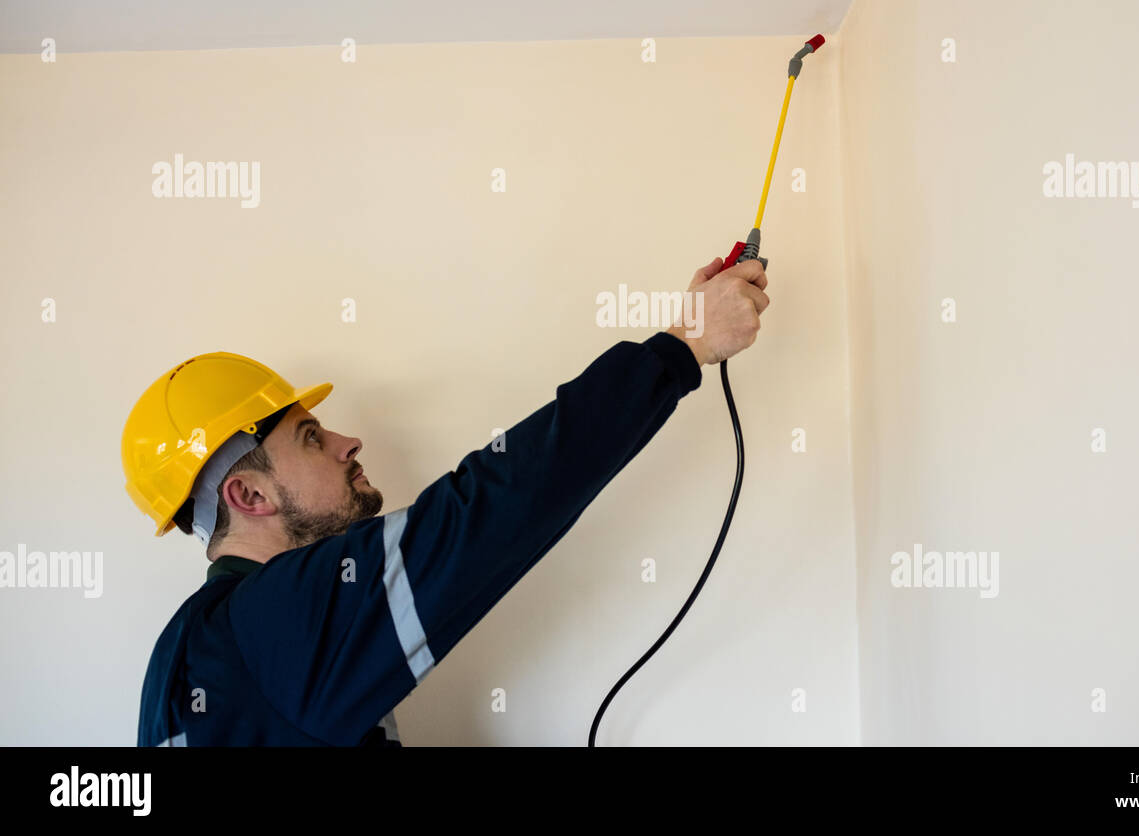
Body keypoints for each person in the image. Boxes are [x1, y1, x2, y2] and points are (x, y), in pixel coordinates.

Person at [123, 257, 769, 746]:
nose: (349, 442)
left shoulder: (179, 650)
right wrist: (682, 348)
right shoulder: (280, 617)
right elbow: (487, 510)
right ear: (249, 493)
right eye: (311, 437)